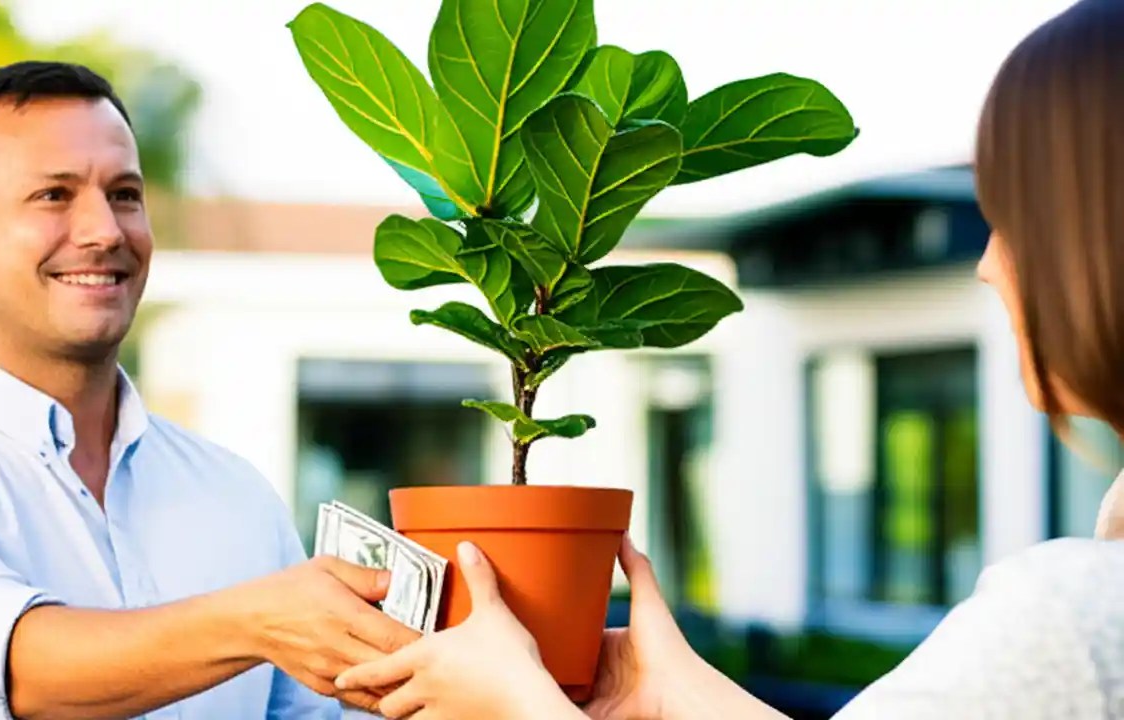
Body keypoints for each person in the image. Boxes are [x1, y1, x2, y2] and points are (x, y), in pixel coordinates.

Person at [332, 1, 1124, 718]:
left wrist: (519, 705)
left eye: (1011, 218)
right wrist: (674, 694)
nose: (987, 263)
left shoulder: (1073, 619)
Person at [0, 61, 419, 719]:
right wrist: (256, 622)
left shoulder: (236, 497)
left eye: (124, 194)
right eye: (54, 195)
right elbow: (10, 670)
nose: (106, 231)